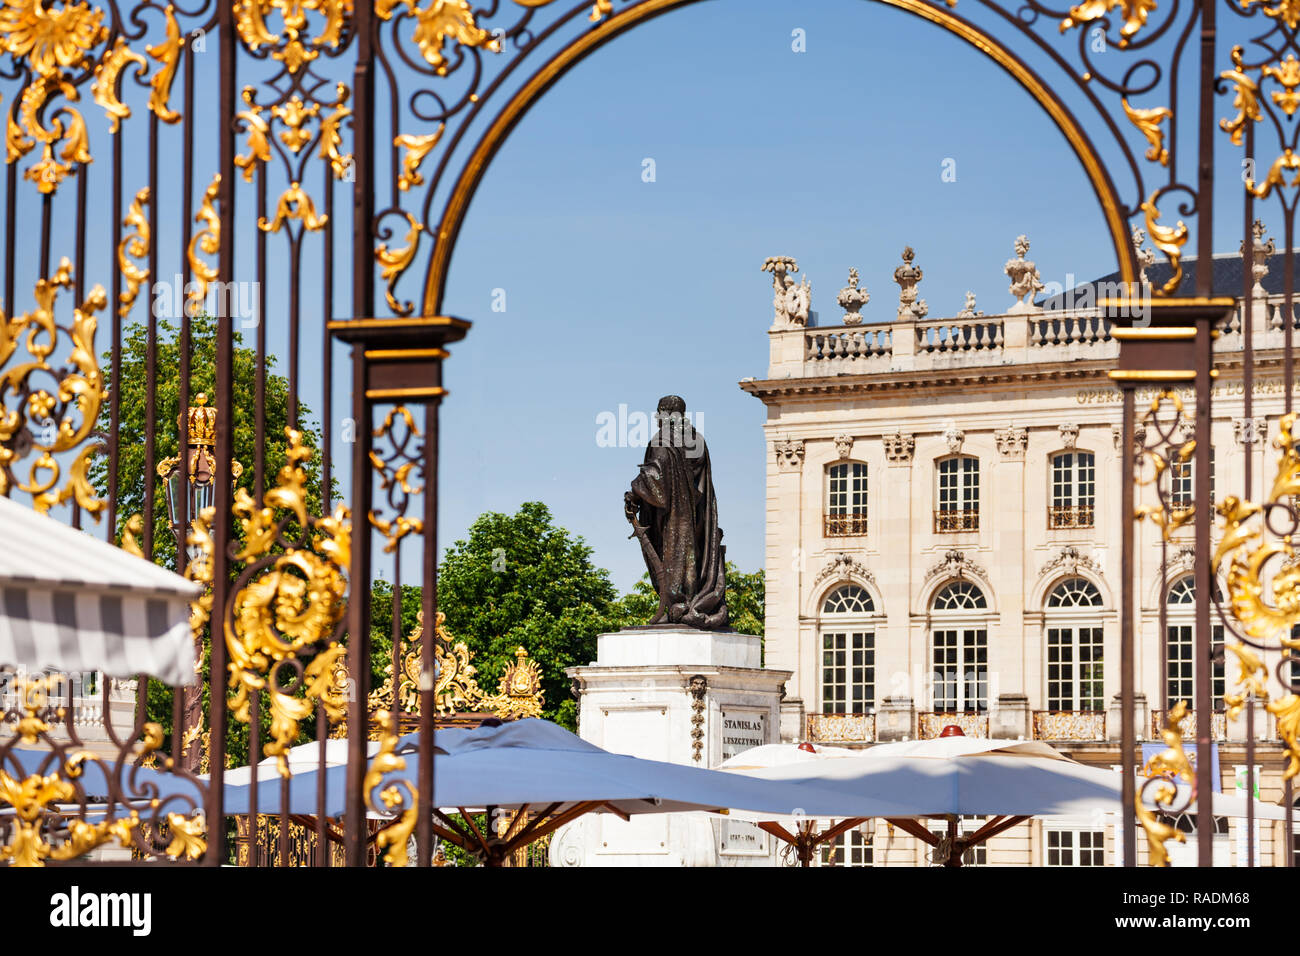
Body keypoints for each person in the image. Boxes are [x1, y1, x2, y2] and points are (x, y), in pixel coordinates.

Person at [624, 395, 728, 629]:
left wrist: (634, 492)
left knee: (673, 560)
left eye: (658, 412)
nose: (655, 417)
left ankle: (675, 605)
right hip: (697, 518)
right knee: (693, 559)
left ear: (665, 413)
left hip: (673, 517)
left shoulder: (664, 440)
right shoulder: (696, 439)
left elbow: (656, 476)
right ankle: (685, 604)